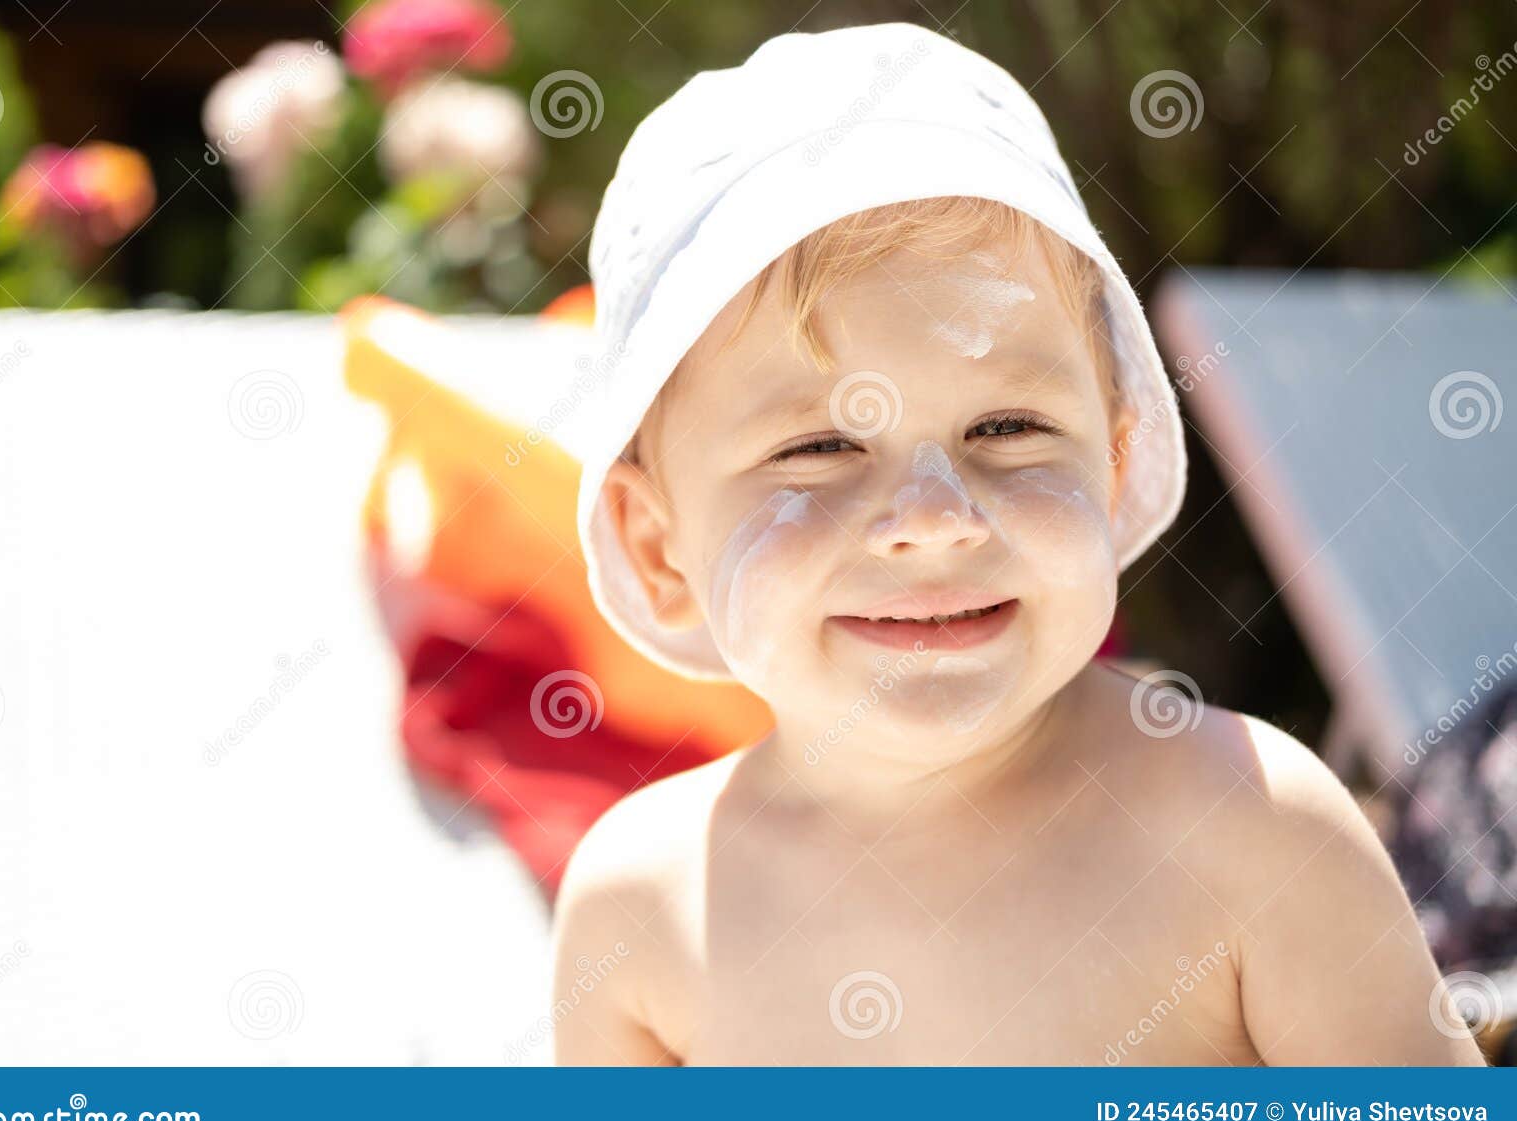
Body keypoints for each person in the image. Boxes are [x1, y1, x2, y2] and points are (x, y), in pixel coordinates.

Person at [549, 22, 1484, 1065]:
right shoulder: (641, 910)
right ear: (660, 545)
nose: (936, 516)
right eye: (817, 446)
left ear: (1116, 462)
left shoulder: (1248, 826)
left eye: (1006, 428)